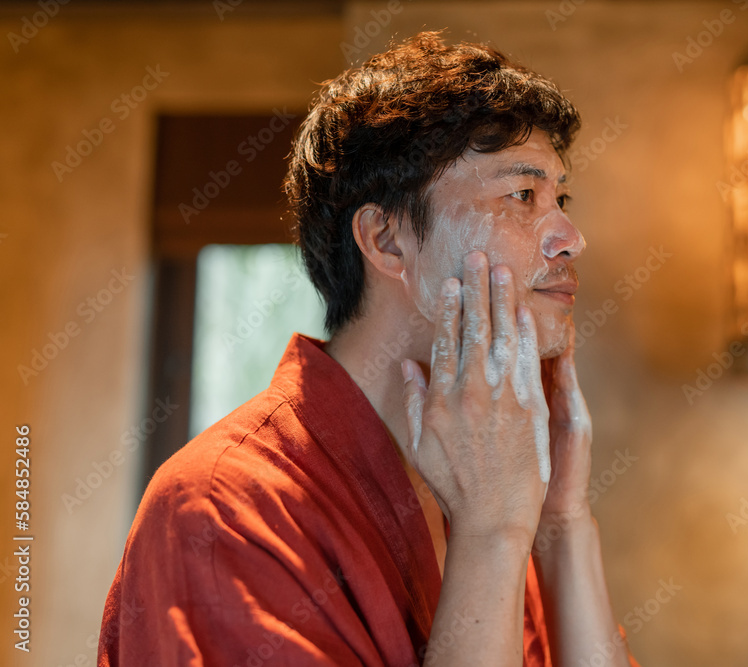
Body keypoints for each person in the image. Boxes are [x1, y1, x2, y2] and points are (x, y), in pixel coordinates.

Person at [99, 31, 638, 666]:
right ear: (385, 239)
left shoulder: (493, 480)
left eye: (561, 199)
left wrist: (561, 524)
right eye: (522, 195)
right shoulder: (222, 509)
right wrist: (492, 535)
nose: (572, 238)